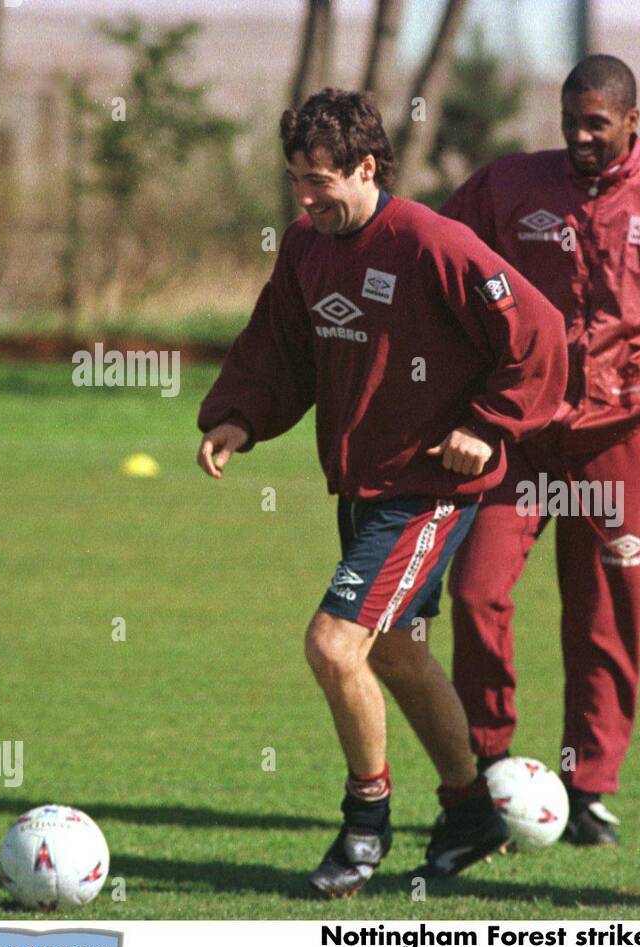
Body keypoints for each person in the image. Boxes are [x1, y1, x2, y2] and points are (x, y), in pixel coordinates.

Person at [195, 89, 568, 897]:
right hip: (362, 484)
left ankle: (365, 824)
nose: (304, 196)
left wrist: (490, 424)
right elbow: (280, 345)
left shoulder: (434, 242)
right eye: (295, 178)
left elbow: (538, 333)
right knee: (396, 649)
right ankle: (470, 809)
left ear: (368, 167)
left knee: (334, 645)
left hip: (426, 486)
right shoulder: (305, 247)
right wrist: (237, 417)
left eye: (320, 180)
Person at [442, 55, 640, 845]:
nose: (581, 137)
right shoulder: (507, 188)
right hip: (516, 435)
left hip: (615, 443)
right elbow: (442, 267)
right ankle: (490, 764)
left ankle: (587, 785)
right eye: (570, 121)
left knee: (602, 615)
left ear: (631, 120)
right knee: (475, 592)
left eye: (597, 123)